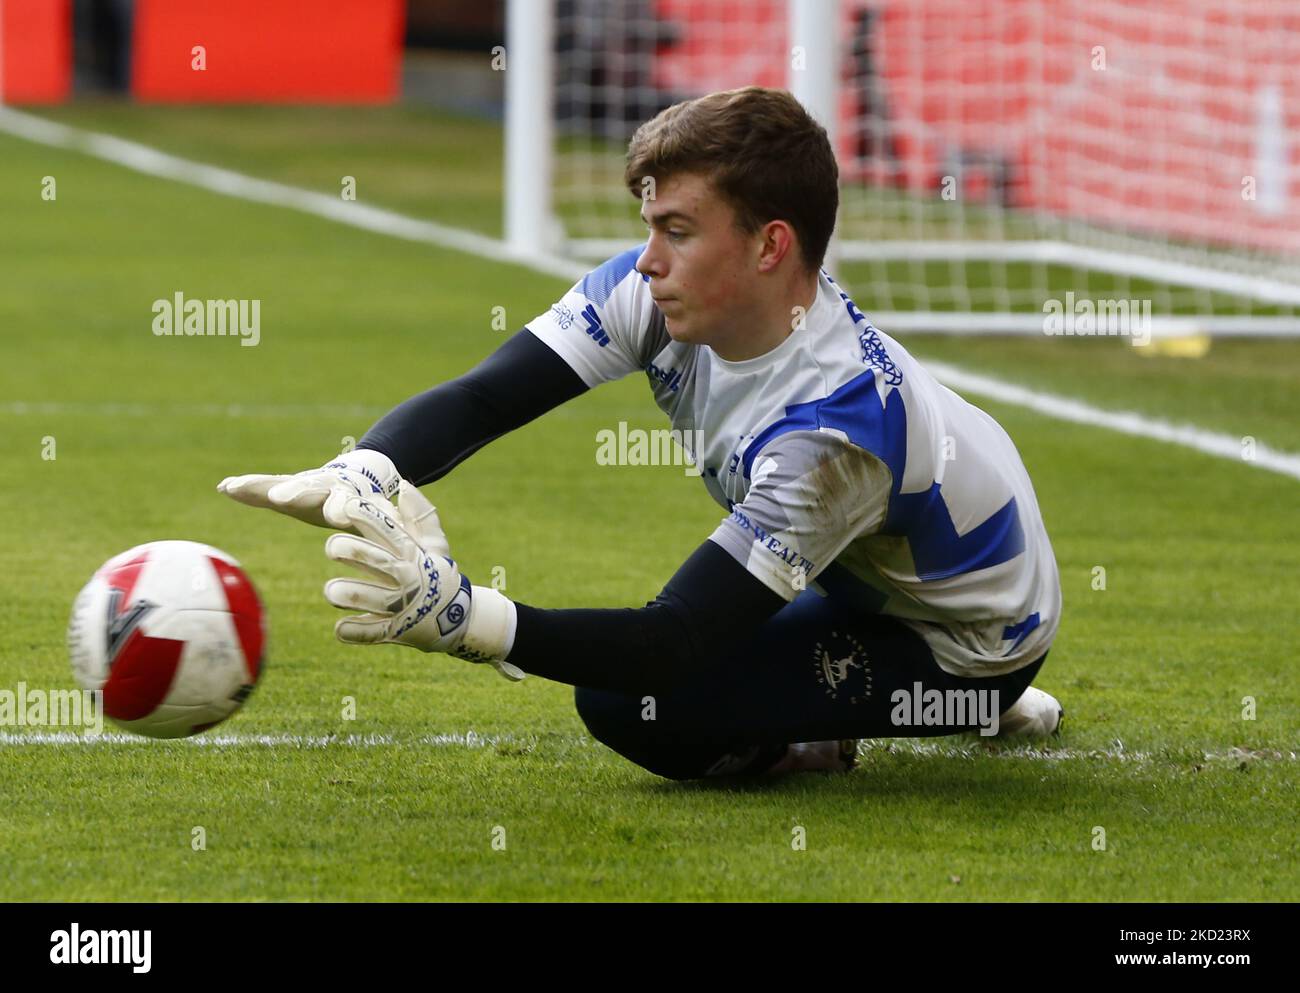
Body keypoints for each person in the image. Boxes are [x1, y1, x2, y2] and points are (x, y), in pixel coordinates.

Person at [218, 86, 1063, 780]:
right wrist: (367, 465)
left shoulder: (836, 434)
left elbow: (674, 640)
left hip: (967, 638)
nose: (647, 257)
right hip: (863, 578)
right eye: (650, 226)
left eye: (678, 230)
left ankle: (916, 713)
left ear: (771, 246)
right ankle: (827, 698)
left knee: (636, 704)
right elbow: (486, 398)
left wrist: (470, 618)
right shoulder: (657, 290)